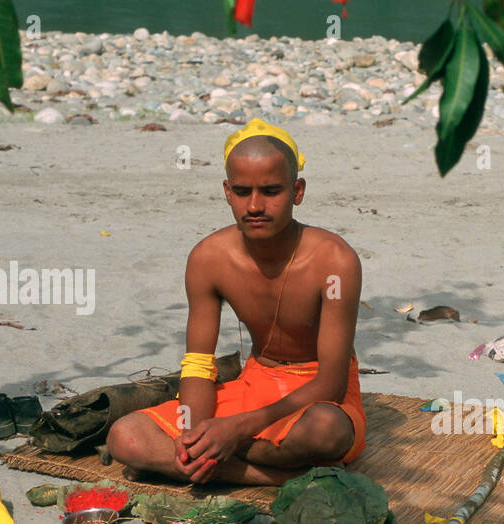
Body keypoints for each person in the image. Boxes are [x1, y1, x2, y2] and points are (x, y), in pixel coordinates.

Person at [108, 120, 366, 486]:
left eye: (271, 191)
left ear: (297, 191)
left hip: (315, 397)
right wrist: (197, 437)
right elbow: (198, 364)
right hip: (254, 384)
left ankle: (222, 464)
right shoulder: (208, 258)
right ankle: (275, 476)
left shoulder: (336, 261)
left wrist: (236, 429)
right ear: (227, 192)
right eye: (243, 192)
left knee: (326, 432)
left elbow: (332, 382)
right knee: (126, 436)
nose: (256, 205)